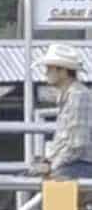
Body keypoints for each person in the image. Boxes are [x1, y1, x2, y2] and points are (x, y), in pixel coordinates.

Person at [32, 43, 92, 180]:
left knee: (37, 185)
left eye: (49, 68)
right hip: (73, 164)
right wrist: (49, 161)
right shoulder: (71, 95)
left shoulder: (78, 95)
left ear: (63, 71)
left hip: (79, 166)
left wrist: (52, 166)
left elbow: (78, 145)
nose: (46, 73)